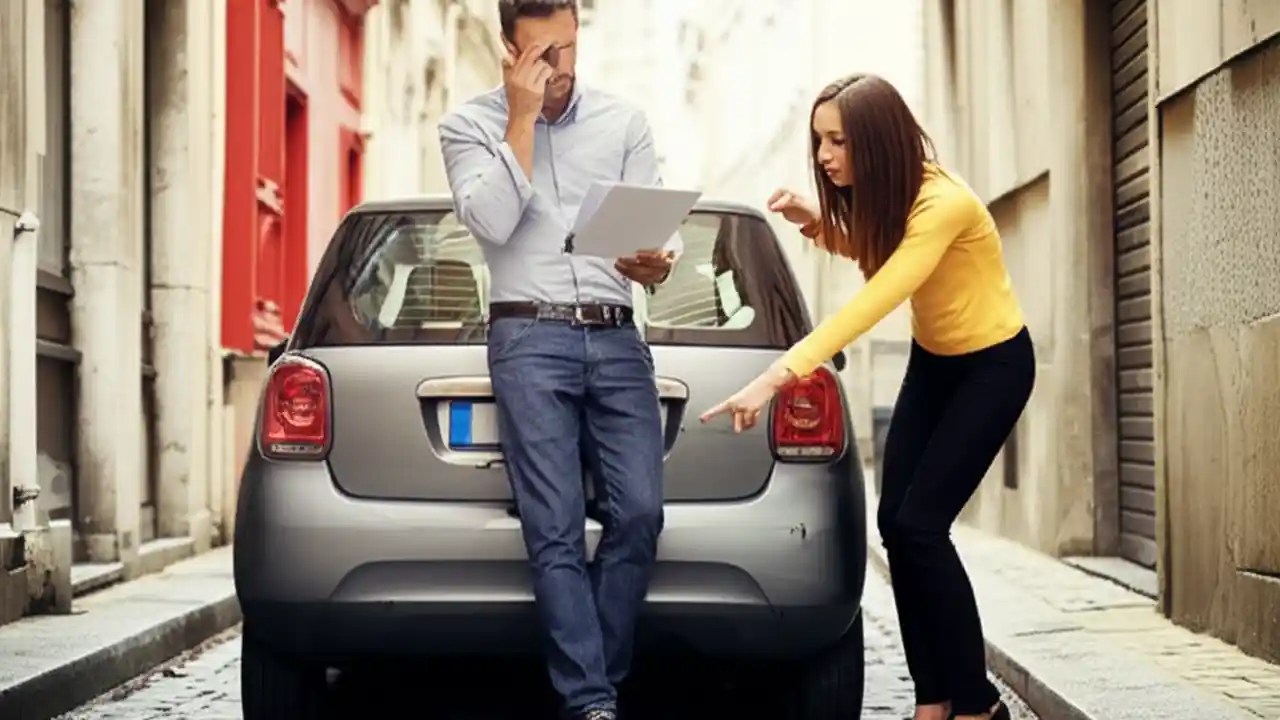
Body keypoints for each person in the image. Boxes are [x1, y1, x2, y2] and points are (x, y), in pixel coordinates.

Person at [701, 73, 1032, 720]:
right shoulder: (900, 199)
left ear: (877, 142)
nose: (824, 156)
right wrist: (821, 225)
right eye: (819, 141)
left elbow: (879, 296)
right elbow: (881, 251)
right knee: (894, 526)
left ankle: (976, 702)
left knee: (921, 527)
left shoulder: (943, 205)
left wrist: (775, 377)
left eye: (838, 142)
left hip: (992, 368)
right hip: (935, 365)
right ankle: (931, 699)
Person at [437, 2, 677, 718]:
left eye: (570, 49)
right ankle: (591, 702)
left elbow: (659, 256)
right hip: (527, 340)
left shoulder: (624, 122)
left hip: (614, 334)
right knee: (556, 528)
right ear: (509, 53)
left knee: (639, 513)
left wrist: (654, 265)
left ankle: (591, 666)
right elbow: (491, 221)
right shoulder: (467, 128)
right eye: (543, 55)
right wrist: (521, 119)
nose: (562, 69)